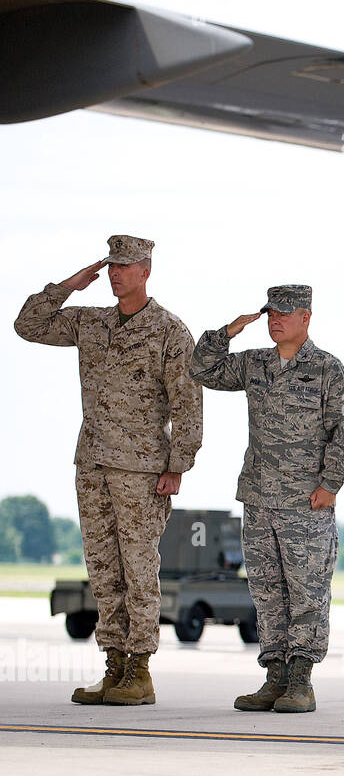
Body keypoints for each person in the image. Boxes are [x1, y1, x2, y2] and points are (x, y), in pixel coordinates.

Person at [15, 235, 203, 706]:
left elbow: (188, 404)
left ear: (146, 271)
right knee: (103, 570)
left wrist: (178, 465)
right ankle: (114, 664)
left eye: (126, 265)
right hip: (93, 464)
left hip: (142, 469)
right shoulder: (91, 321)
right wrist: (69, 286)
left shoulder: (169, 331)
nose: (116, 273)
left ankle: (140, 671)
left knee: (139, 569)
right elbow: (27, 324)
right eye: (111, 266)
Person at [190, 285, 344, 713]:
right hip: (260, 499)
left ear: (306, 318)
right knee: (267, 592)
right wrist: (227, 332)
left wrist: (332, 483)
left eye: (284, 313)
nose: (274, 321)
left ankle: (301, 680)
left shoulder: (326, 369)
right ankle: (275, 677)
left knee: (308, 590)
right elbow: (202, 370)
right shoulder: (255, 364)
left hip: (307, 502)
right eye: (270, 314)